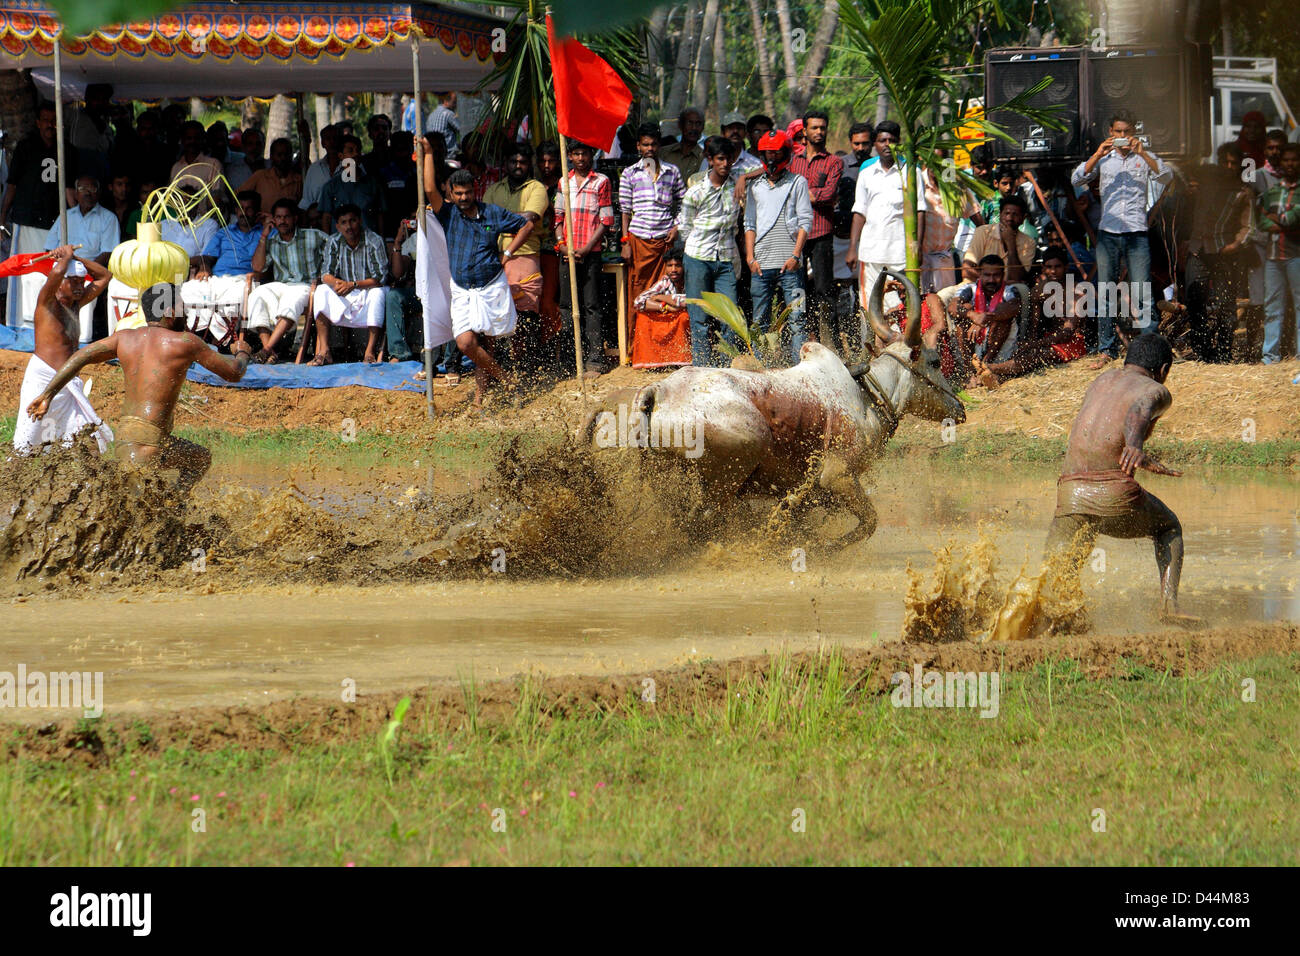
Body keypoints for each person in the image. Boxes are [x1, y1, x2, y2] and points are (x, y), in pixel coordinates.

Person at [28, 282, 251, 495]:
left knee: (198, 458)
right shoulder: (185, 342)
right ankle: (174, 507)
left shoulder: (124, 338)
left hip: (126, 439)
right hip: (150, 444)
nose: (187, 315)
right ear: (170, 312)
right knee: (180, 477)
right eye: (183, 308)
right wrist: (242, 352)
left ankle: (171, 509)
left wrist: (47, 394)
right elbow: (233, 373)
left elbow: (80, 357)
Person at [1044, 333, 1196, 625]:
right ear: (1164, 370)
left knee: (1052, 581)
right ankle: (1170, 606)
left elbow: (1107, 432)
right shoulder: (1156, 389)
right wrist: (1136, 445)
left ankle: (1053, 621)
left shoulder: (1102, 380)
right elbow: (1140, 409)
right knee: (1168, 526)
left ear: (1127, 359)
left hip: (1070, 493)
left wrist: (1138, 452)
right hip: (1113, 495)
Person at [422, 162, 534, 407]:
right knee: (465, 343)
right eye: (458, 193)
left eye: (468, 192)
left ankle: (480, 399)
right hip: (462, 289)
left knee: (486, 344)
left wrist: (508, 252)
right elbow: (430, 188)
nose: (464, 197)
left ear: (476, 191)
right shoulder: (448, 214)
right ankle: (507, 380)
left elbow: (527, 225)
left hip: (491, 286)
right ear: (451, 194)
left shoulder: (492, 212)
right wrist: (428, 153)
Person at [1071, 110, 1173, 360]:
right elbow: (1076, 179)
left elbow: (1167, 175)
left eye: (1127, 132)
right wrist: (1097, 154)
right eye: (1118, 132)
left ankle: (1150, 350)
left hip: (1137, 231)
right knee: (1106, 291)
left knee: (1142, 291)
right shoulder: (1104, 159)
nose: (1123, 136)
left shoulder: (1142, 155)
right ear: (1110, 133)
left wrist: (1143, 154)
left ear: (1134, 132)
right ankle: (1107, 349)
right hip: (1109, 232)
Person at [12, 245, 113, 455]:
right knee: (26, 444)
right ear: (59, 285)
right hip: (42, 380)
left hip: (68, 383)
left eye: (80, 281)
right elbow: (57, 272)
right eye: (73, 281)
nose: (79, 286)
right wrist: (66, 256)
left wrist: (75, 257)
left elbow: (105, 276)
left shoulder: (76, 303)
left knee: (88, 441)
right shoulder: (47, 302)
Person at [2, 101, 77, 327]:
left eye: (54, 122)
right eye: (46, 121)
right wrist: (2, 217)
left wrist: (75, 218)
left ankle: (51, 323)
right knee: (23, 270)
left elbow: (69, 190)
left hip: (55, 223)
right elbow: (12, 185)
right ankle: (19, 322)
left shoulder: (67, 149)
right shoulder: (26, 147)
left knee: (52, 273)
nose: (50, 126)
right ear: (38, 123)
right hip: (27, 221)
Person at [846, 120, 926, 329]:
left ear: (899, 142)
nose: (887, 144)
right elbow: (859, 212)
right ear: (875, 143)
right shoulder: (866, 172)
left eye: (891, 140)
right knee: (870, 307)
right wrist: (852, 248)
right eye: (882, 140)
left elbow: (920, 211)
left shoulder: (911, 171)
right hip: (870, 253)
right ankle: (871, 353)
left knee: (900, 308)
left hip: (901, 254)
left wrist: (918, 247)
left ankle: (902, 354)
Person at [744, 129, 812, 364]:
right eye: (767, 154)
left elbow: (806, 221)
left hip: (791, 266)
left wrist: (796, 255)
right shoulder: (755, 186)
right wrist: (750, 257)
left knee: (797, 319)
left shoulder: (798, 182)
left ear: (786, 153)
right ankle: (761, 367)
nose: (771, 158)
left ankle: (799, 369)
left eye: (776, 153)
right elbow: (749, 223)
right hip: (761, 265)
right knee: (759, 321)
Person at [1183, 144, 1254, 362]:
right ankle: (1204, 351)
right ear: (1220, 161)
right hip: (1198, 249)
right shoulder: (1205, 182)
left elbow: (1248, 225)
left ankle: (1223, 352)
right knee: (1195, 301)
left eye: (1234, 163)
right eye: (1226, 162)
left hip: (1224, 252)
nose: (1229, 167)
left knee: (1226, 306)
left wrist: (1236, 244)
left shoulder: (1243, 191)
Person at [978, 247, 1087, 384]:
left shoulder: (1078, 292)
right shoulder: (1039, 290)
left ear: (1066, 267)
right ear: (1043, 268)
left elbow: (1067, 332)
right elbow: (1033, 327)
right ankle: (997, 378)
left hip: (1072, 343)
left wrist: (1034, 344)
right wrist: (1028, 344)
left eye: (1057, 266)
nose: (1053, 271)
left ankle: (988, 368)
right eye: (1049, 267)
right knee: (1024, 354)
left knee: (1036, 355)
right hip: (1048, 340)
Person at [483, 143, 547, 367]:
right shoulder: (493, 190)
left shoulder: (537, 188)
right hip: (495, 256)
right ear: (506, 164)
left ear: (529, 165)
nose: (517, 166)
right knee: (498, 312)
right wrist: (512, 222)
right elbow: (484, 222)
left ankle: (530, 367)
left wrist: (498, 220)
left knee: (526, 311)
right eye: (513, 161)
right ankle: (502, 368)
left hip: (525, 256)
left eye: (522, 162)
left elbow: (531, 217)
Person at [553, 140, 614, 377]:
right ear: (570, 155)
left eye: (584, 153)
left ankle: (595, 360)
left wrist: (588, 247)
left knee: (591, 305)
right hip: (567, 253)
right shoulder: (563, 182)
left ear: (591, 155)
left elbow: (606, 219)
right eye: (576, 153)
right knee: (567, 306)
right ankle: (570, 360)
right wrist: (563, 245)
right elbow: (558, 218)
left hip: (591, 253)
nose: (580, 158)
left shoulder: (601, 181)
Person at [680, 136, 741, 366]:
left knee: (730, 317)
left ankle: (727, 366)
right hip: (698, 258)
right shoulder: (696, 192)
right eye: (720, 159)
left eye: (729, 159)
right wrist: (693, 255)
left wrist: (745, 176)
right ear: (710, 160)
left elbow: (762, 171)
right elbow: (685, 227)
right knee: (699, 317)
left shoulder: (736, 186)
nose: (725, 164)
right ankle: (702, 367)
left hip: (725, 258)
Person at [619, 122, 685, 327]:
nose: (650, 149)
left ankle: (663, 348)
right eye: (646, 145)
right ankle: (636, 350)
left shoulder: (671, 171)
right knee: (638, 291)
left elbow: (685, 203)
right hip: (639, 241)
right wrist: (625, 243)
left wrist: (676, 227)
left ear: (659, 146)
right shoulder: (630, 173)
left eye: (654, 145)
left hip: (665, 242)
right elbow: (624, 210)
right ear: (638, 146)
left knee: (666, 291)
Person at [41, 175, 120, 344]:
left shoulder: (108, 218)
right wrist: (61, 260)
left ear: (99, 193)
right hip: (62, 267)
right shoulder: (66, 216)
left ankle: (82, 339)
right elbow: (49, 247)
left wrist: (77, 263)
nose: (87, 193)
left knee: (78, 285)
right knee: (35, 278)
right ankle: (40, 329)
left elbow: (107, 252)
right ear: (75, 193)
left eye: (92, 189)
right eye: (83, 189)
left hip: (89, 269)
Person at [246, 198, 326, 362]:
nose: (282, 221)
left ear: (295, 218)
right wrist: (264, 236)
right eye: (279, 217)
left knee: (293, 296)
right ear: (274, 220)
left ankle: (266, 350)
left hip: (307, 286)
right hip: (282, 285)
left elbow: (335, 249)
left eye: (286, 217)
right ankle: (270, 352)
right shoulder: (272, 242)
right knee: (258, 293)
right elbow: (257, 267)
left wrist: (325, 276)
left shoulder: (313, 236)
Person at [181, 191, 264, 345]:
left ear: (257, 211)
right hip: (217, 278)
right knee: (188, 289)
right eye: (240, 208)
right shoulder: (224, 232)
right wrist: (205, 267)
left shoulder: (265, 233)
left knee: (230, 300)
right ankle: (196, 337)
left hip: (244, 280)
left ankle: (218, 342)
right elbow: (207, 256)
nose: (243, 213)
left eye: (249, 208)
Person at [788, 110, 843, 344]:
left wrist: (801, 194)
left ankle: (829, 343)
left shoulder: (834, 162)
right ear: (804, 131)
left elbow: (829, 194)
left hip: (821, 233)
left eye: (823, 128)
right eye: (814, 128)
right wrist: (811, 195)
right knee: (797, 290)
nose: (819, 132)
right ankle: (800, 341)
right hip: (794, 235)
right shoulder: (793, 161)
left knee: (824, 291)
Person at [310, 204, 388, 365]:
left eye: (352, 221)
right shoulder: (334, 241)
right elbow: (325, 274)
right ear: (338, 226)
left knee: (378, 294)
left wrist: (353, 284)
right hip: (345, 289)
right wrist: (342, 284)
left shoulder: (374, 241)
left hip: (367, 288)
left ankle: (370, 352)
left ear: (359, 221)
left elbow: (381, 277)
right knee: (322, 291)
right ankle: (324, 351)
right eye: (344, 222)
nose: (349, 226)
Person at [947, 254, 1021, 384]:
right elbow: (953, 307)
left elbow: (1012, 308)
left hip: (999, 349)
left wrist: (983, 320)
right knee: (963, 315)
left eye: (996, 275)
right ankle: (970, 373)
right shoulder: (969, 289)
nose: (991, 280)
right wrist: (973, 315)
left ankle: (986, 366)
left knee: (1003, 318)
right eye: (987, 275)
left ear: (1003, 274)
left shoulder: (1009, 291)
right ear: (979, 274)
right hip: (974, 345)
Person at [1258, 143, 1300, 364]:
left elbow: (1293, 220)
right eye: (1286, 160)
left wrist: (1280, 219)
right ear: (1281, 163)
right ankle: (1270, 358)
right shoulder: (1273, 192)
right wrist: (1283, 221)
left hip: (1296, 255)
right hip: (1273, 256)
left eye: (1294, 160)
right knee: (1272, 307)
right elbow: (1262, 221)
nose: (1290, 164)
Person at [631, 244, 690, 368]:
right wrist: (665, 307)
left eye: (678, 265)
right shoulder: (665, 282)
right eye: (669, 266)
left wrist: (661, 297)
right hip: (669, 318)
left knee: (684, 316)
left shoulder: (691, 280)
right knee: (642, 316)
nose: (673, 269)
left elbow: (689, 301)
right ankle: (655, 361)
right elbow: (638, 301)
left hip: (682, 322)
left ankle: (682, 359)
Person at [243, 137, 304, 215]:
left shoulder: (298, 180)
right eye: (279, 155)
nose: (283, 158)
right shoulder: (260, 176)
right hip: (263, 225)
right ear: (271, 156)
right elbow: (238, 196)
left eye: (286, 154)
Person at [300, 124, 342, 226]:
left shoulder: (350, 166)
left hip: (344, 223)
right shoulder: (314, 169)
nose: (332, 142)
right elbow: (306, 202)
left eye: (335, 138)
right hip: (319, 226)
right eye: (328, 139)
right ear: (323, 143)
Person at [660, 107, 705, 180]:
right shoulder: (664, 153)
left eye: (698, 123)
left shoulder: (704, 158)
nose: (694, 128)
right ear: (680, 125)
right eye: (690, 123)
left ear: (702, 127)